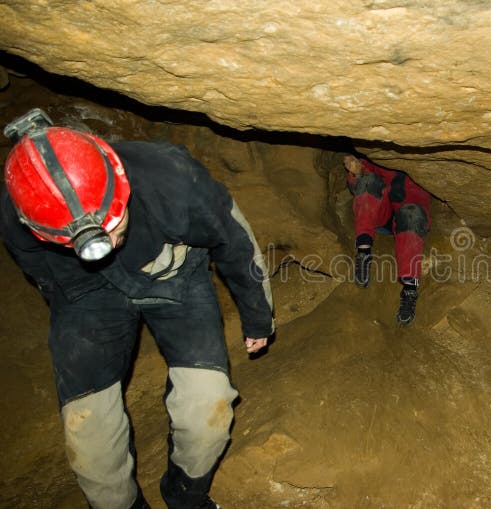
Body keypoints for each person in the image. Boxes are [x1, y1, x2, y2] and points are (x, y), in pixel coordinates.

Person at [0, 109, 275, 509]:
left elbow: (236, 242)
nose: (108, 242)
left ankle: (185, 495)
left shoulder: (171, 176)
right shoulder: (18, 208)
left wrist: (257, 316)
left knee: (207, 409)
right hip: (86, 293)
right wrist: (74, 306)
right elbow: (40, 272)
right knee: (90, 441)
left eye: (113, 224)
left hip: (173, 272)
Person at [343, 153, 431, 324]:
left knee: (411, 213)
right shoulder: (383, 154)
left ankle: (410, 289)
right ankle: (364, 252)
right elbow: (360, 180)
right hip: (383, 214)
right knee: (368, 180)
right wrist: (356, 172)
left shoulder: (425, 160)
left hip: (408, 218)